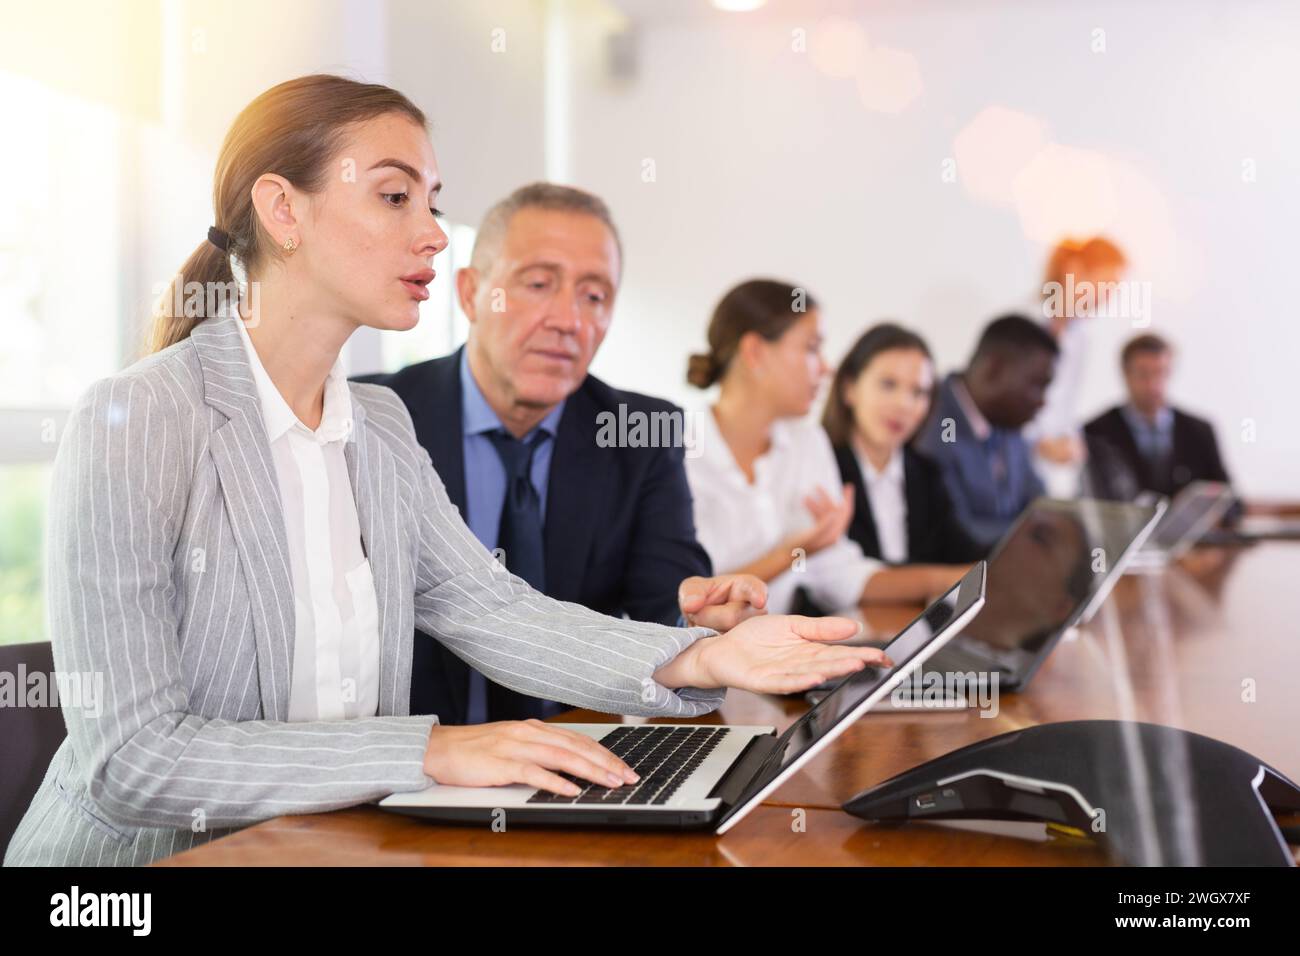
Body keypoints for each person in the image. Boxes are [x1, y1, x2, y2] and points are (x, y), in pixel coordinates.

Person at [4, 75, 887, 868]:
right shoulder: (138, 420)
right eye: (395, 197)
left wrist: (706, 657)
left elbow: (493, 609)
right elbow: (135, 760)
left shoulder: (378, 426)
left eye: (433, 201)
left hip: (330, 847)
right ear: (283, 209)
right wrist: (429, 751)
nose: (433, 234)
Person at [356, 183, 764, 724]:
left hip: (574, 751)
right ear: (471, 292)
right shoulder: (373, 417)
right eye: (538, 283)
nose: (568, 320)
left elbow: (664, 593)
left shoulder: (639, 429)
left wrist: (695, 615)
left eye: (594, 296)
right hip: (414, 759)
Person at [683, 280, 967, 618]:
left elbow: (839, 574)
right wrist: (795, 550)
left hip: (784, 658)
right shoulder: (674, 452)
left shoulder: (807, 443)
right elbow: (680, 603)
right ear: (755, 352)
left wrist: (964, 579)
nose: (827, 367)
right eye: (812, 348)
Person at [822, 322, 984, 565]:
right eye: (888, 385)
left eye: (918, 392)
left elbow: (968, 556)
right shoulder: (821, 467)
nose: (904, 405)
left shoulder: (927, 473)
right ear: (849, 388)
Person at [913, 314, 1058, 551]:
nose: (1042, 402)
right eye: (1036, 385)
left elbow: (1041, 503)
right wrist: (1039, 531)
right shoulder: (931, 422)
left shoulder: (1008, 421)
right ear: (993, 370)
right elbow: (960, 535)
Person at [1083, 333, 1236, 505]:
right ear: (1125, 374)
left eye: (1160, 373)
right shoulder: (1096, 432)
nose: (1153, 385)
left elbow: (1231, 502)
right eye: (1143, 374)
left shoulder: (1199, 431)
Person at [1028, 235, 1129, 471]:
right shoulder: (1023, 325)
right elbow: (1005, 403)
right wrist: (1039, 443)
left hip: (1047, 469)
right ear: (1073, 271)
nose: (1107, 298)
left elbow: (1063, 409)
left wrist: (1070, 442)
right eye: (1105, 285)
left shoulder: (1079, 337)